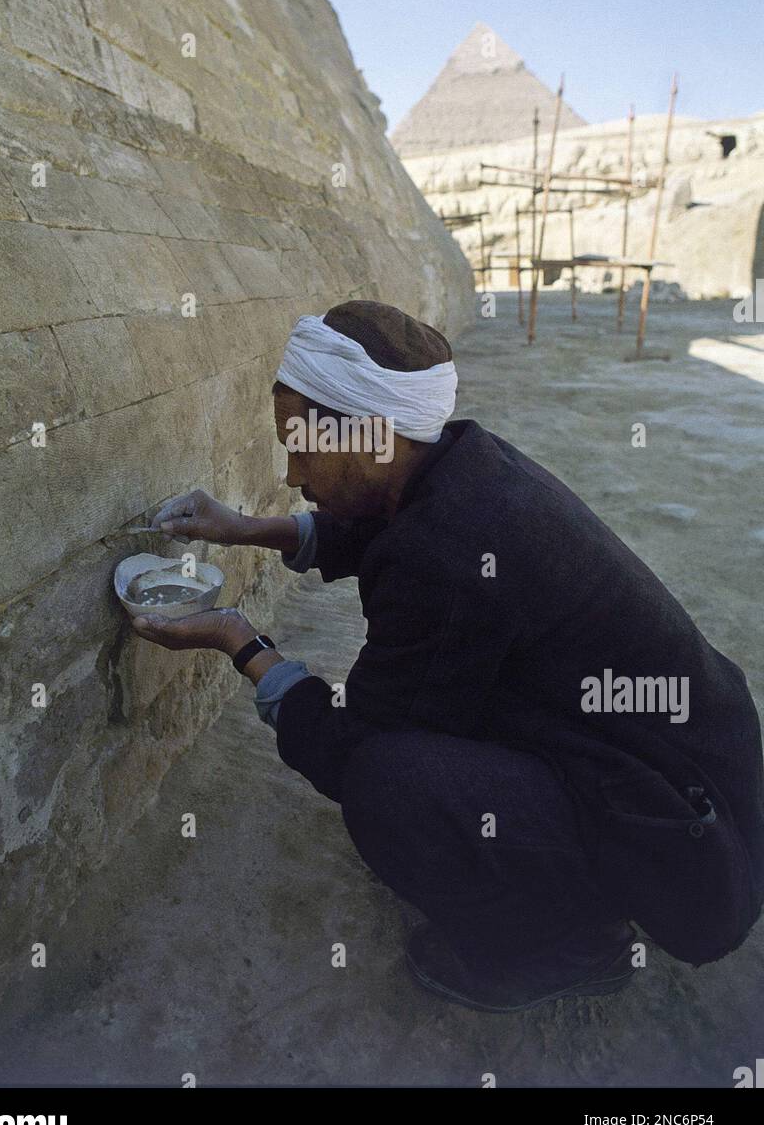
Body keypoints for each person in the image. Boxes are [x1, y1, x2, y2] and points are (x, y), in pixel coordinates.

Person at [132, 299, 764, 1013]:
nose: (291, 472)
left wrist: (238, 642)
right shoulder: (458, 463)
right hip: (677, 759)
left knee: (387, 785)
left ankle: (577, 947)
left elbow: (349, 748)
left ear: (373, 437)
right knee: (423, 745)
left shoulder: (451, 548)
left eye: (302, 447)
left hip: (684, 839)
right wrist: (243, 529)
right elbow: (385, 530)